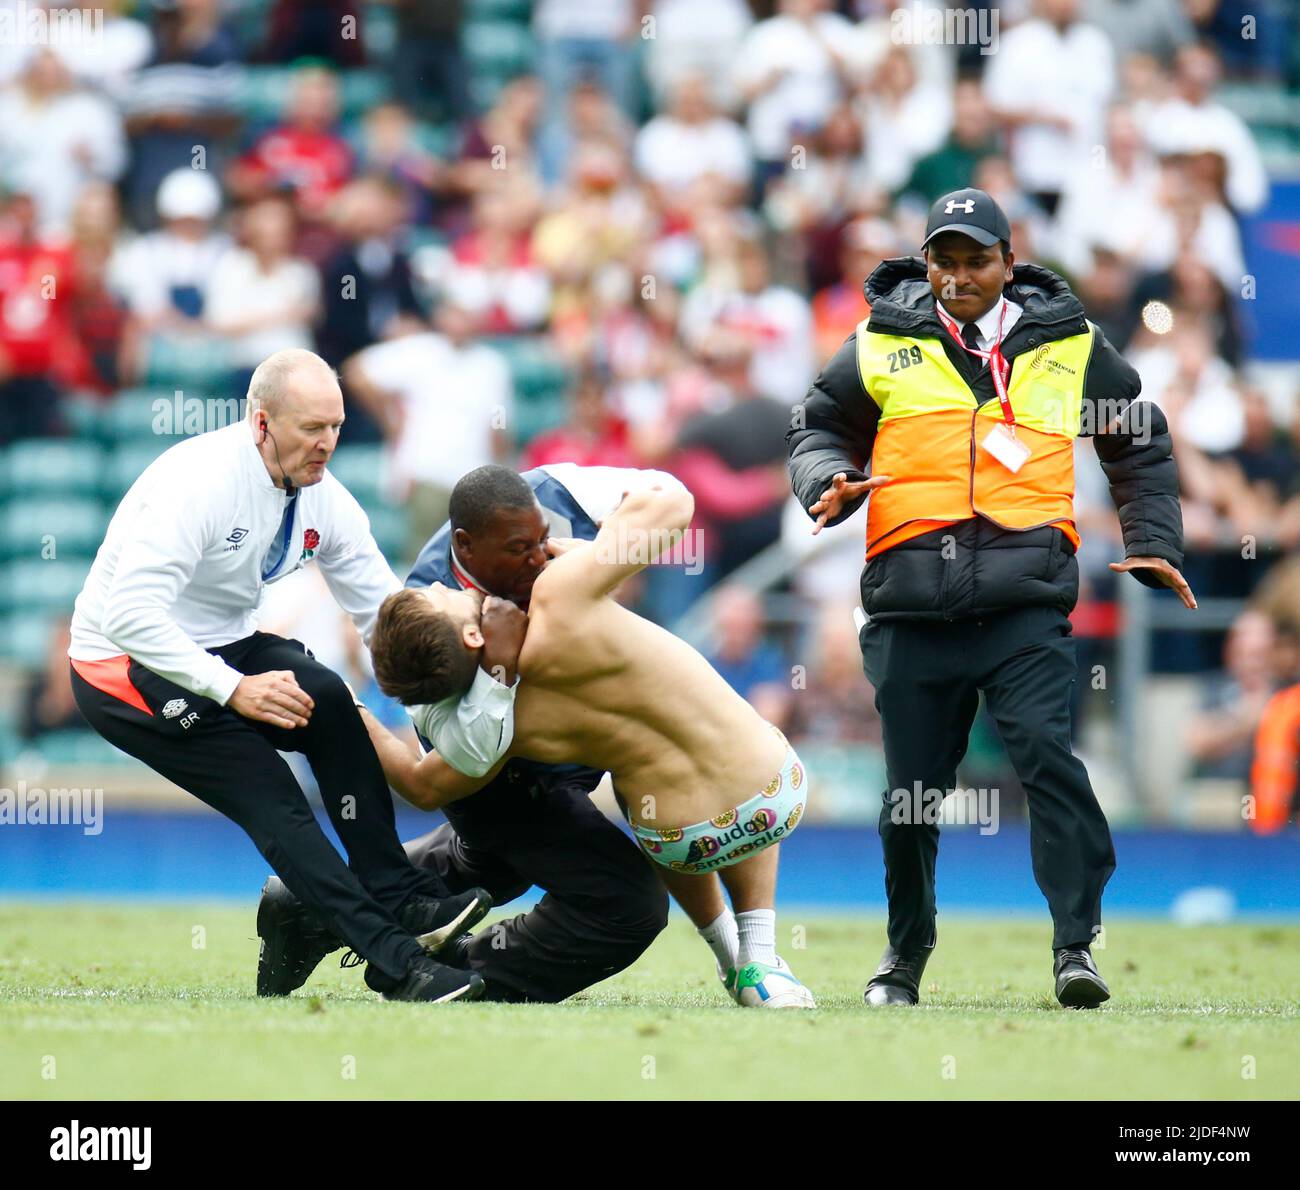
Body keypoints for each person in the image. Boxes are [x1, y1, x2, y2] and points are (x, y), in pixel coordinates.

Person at [787, 187, 1193, 1008]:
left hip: (1024, 606)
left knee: (1050, 764)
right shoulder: (877, 342)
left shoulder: (1070, 344)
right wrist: (828, 480)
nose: (959, 276)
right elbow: (817, 425)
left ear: (1010, 263)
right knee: (909, 799)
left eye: (977, 261)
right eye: (946, 261)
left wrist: (1152, 542)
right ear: (927, 263)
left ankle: (1075, 950)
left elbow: (1136, 437)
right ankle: (903, 959)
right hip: (910, 608)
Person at [68, 348, 490, 1004]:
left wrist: (447, 711)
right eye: (311, 428)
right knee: (270, 791)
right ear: (261, 423)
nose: (328, 444)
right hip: (122, 665)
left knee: (329, 700)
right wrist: (234, 688)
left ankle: (398, 894)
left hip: (222, 644)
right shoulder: (201, 484)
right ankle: (396, 963)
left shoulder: (328, 502)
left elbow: (388, 623)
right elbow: (128, 616)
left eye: (337, 427)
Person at [365, 475, 818, 1010]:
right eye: (444, 599)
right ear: (470, 635)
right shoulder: (563, 589)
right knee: (716, 742)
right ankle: (759, 955)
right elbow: (674, 503)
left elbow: (423, 783)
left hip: (679, 838)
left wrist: (350, 710)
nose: (443, 585)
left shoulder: (502, 731)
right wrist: (594, 547)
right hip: (773, 794)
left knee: (639, 780)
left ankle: (728, 956)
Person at [260, 463, 679, 1004]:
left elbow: (668, 497)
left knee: (487, 866)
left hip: (553, 750)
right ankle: (460, 968)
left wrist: (599, 555)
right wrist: (498, 671)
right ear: (467, 546)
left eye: (540, 540)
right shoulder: (426, 617)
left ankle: (309, 908)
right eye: (518, 548)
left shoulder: (563, 492)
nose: (536, 558)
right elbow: (462, 762)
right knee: (628, 903)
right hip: (500, 777)